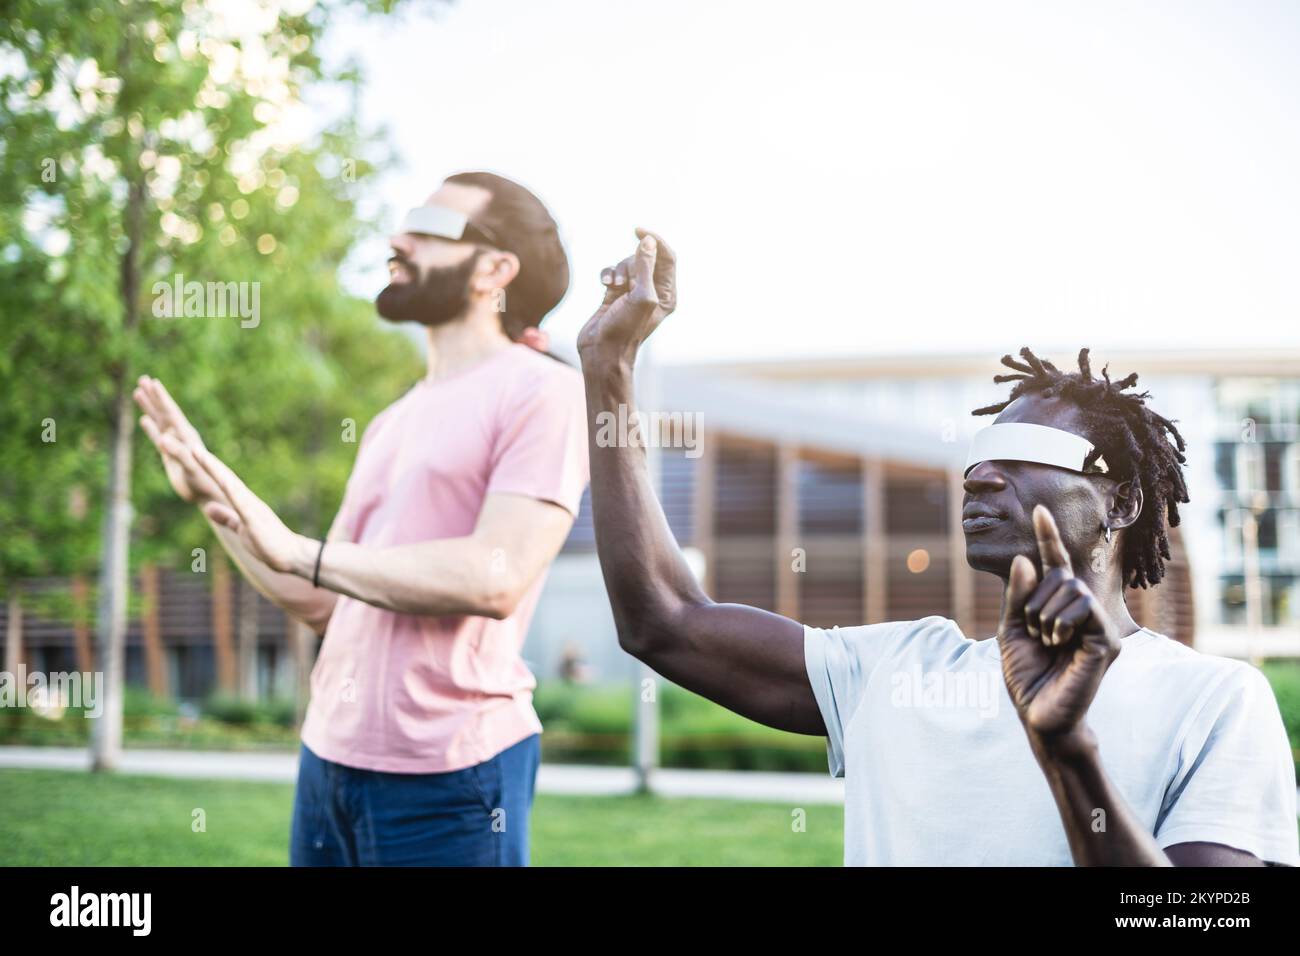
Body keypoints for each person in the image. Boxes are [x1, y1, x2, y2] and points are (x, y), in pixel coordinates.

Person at [576, 231, 1299, 867]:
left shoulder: (1217, 700)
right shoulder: (891, 670)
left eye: (1022, 450)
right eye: (980, 453)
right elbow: (662, 619)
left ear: (1122, 500)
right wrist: (609, 369)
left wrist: (1068, 752)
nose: (980, 474)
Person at [135, 171, 588, 866]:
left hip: (452, 774)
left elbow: (496, 576)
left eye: (429, 224)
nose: (397, 238)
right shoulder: (390, 421)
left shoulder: (546, 393)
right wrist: (212, 502)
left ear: (495, 269)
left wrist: (302, 551)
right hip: (328, 762)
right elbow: (320, 598)